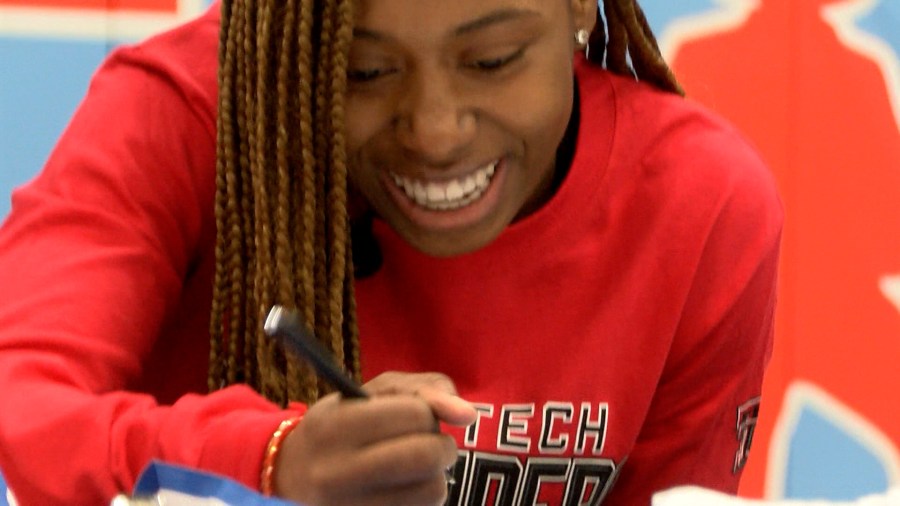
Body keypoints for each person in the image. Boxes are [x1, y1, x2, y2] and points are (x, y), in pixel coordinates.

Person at [0, 0, 783, 504]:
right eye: (364, 72)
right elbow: (22, 400)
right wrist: (271, 460)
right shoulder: (188, 112)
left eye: (493, 59)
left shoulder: (699, 202)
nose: (436, 130)